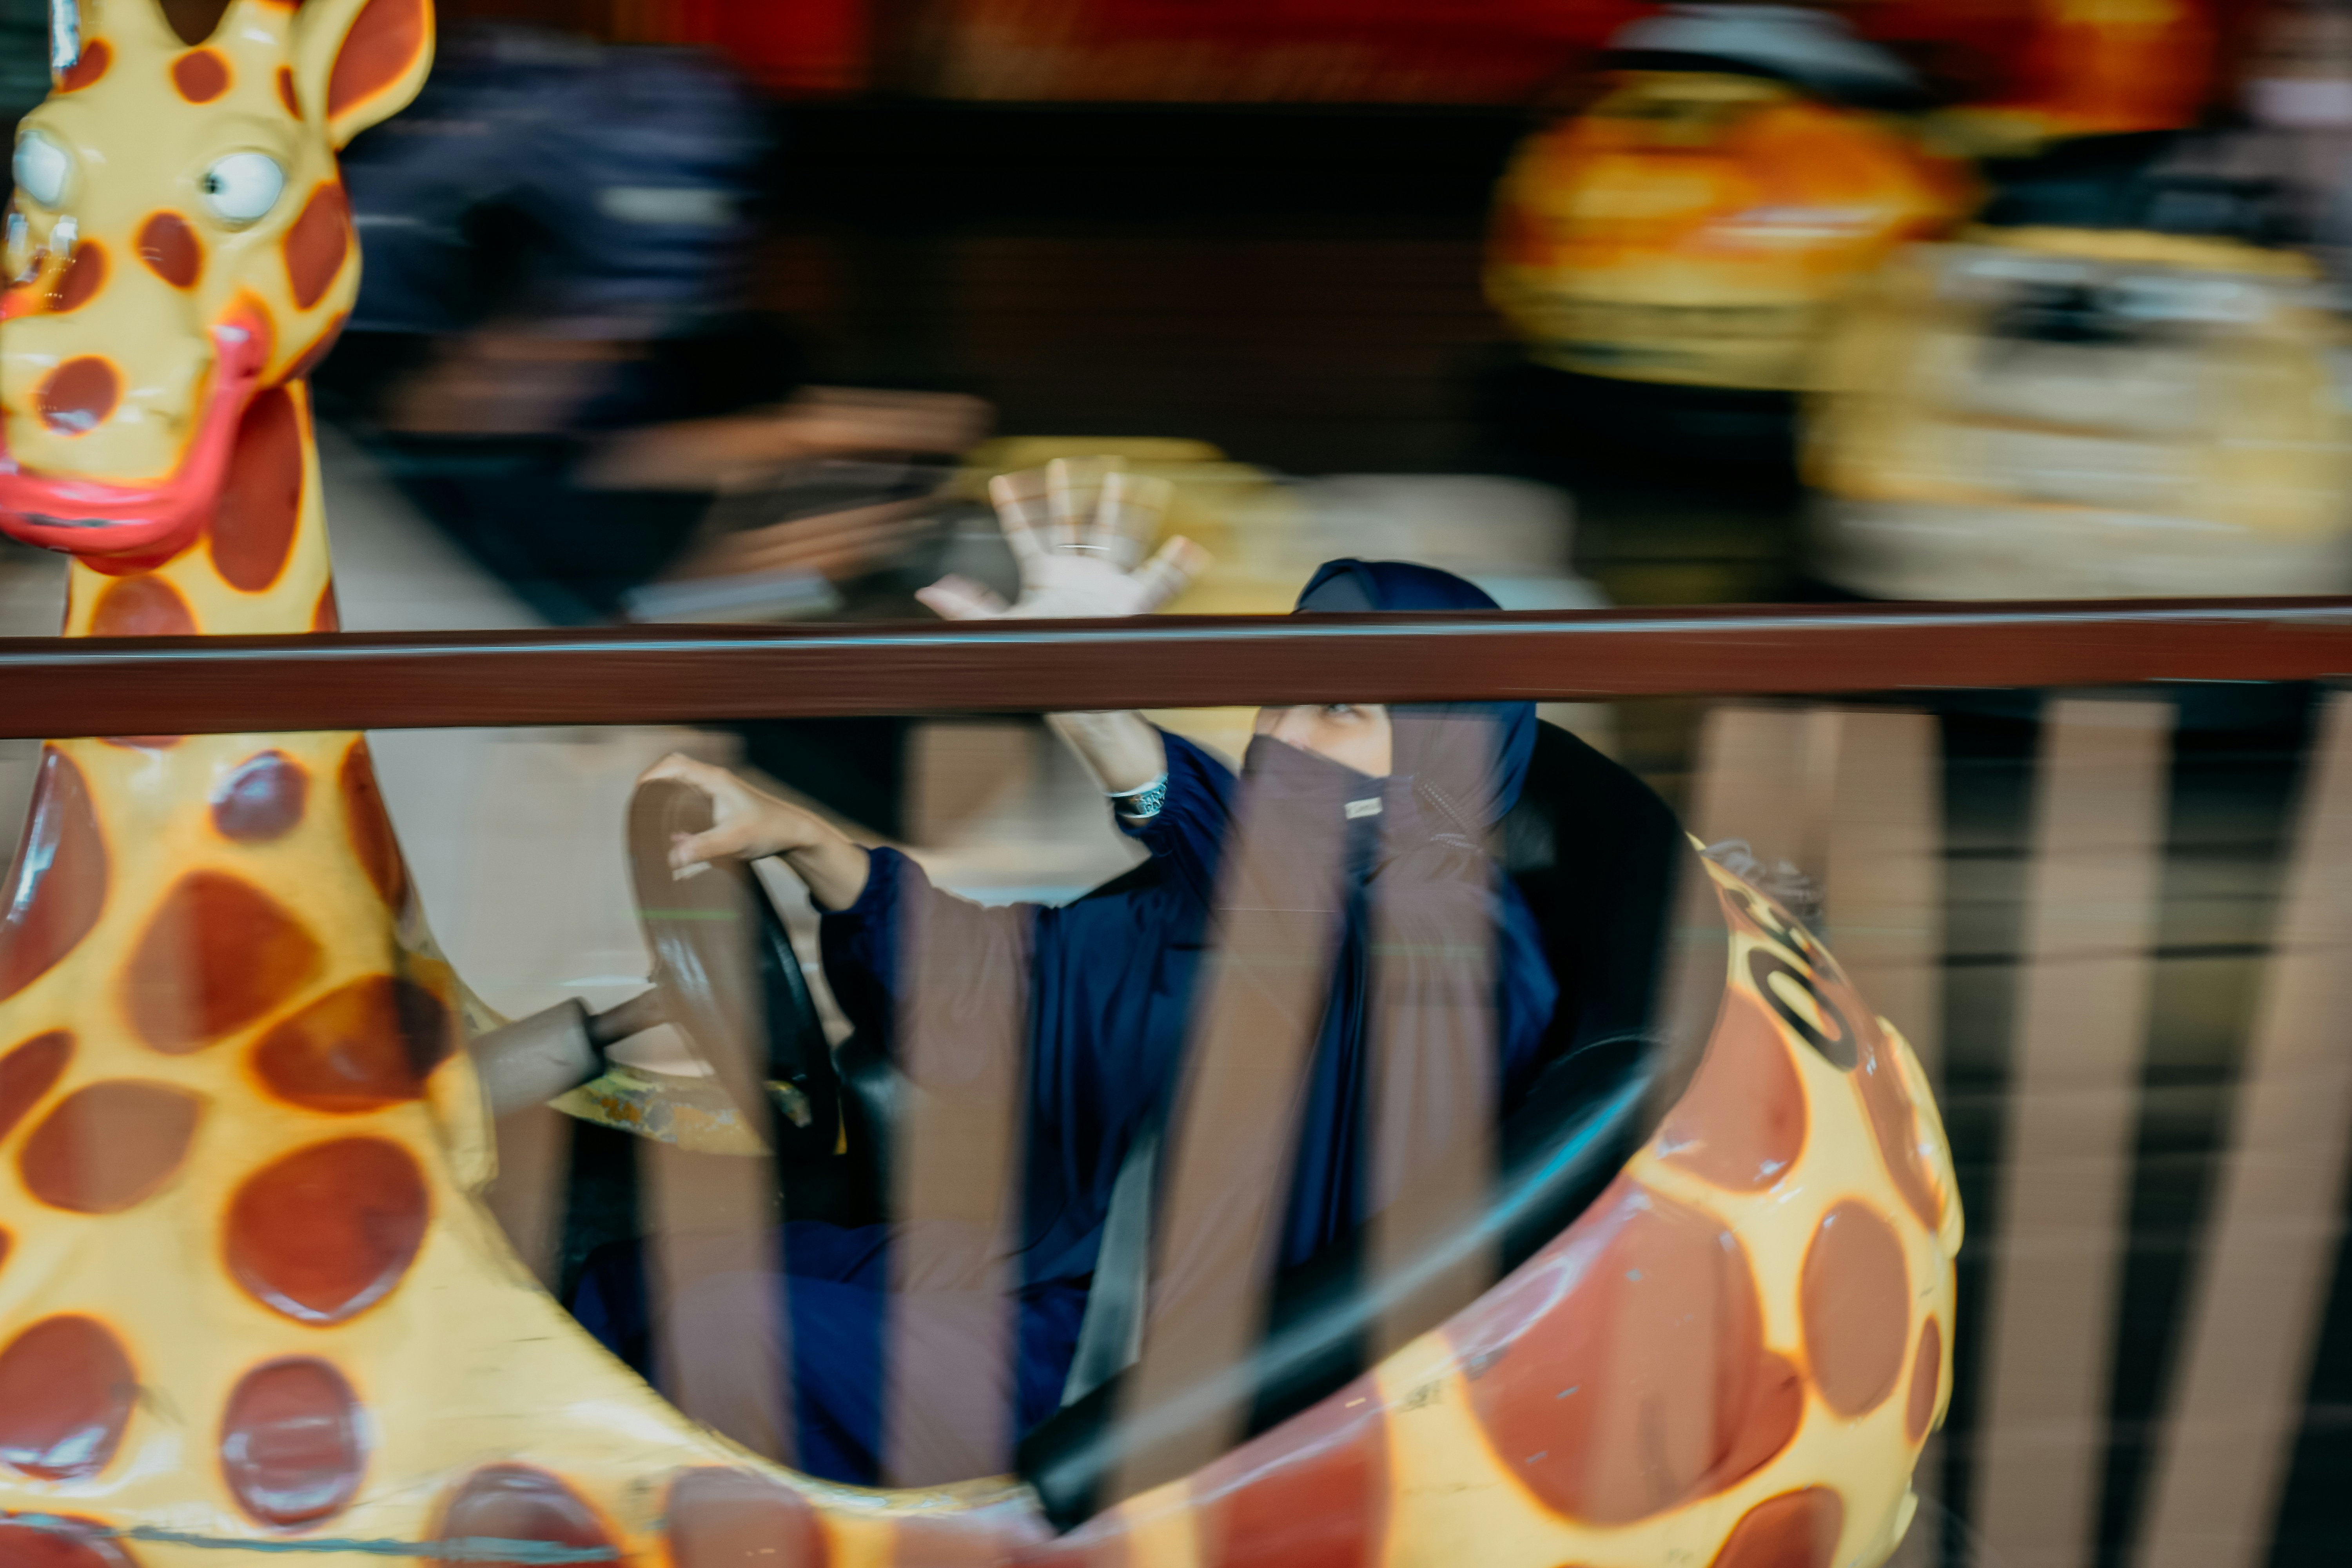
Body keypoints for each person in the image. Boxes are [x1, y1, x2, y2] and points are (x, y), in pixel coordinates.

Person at [568, 463, 1558, 1485]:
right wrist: (813, 847)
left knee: (720, 1330)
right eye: (1282, 694)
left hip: (1155, 1372)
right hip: (1052, 1262)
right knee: (631, 1279)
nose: (1284, 736)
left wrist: (1096, 707)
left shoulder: (1460, 946)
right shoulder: (1221, 896)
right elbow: (1011, 991)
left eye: (1340, 709)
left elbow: (1299, 909)